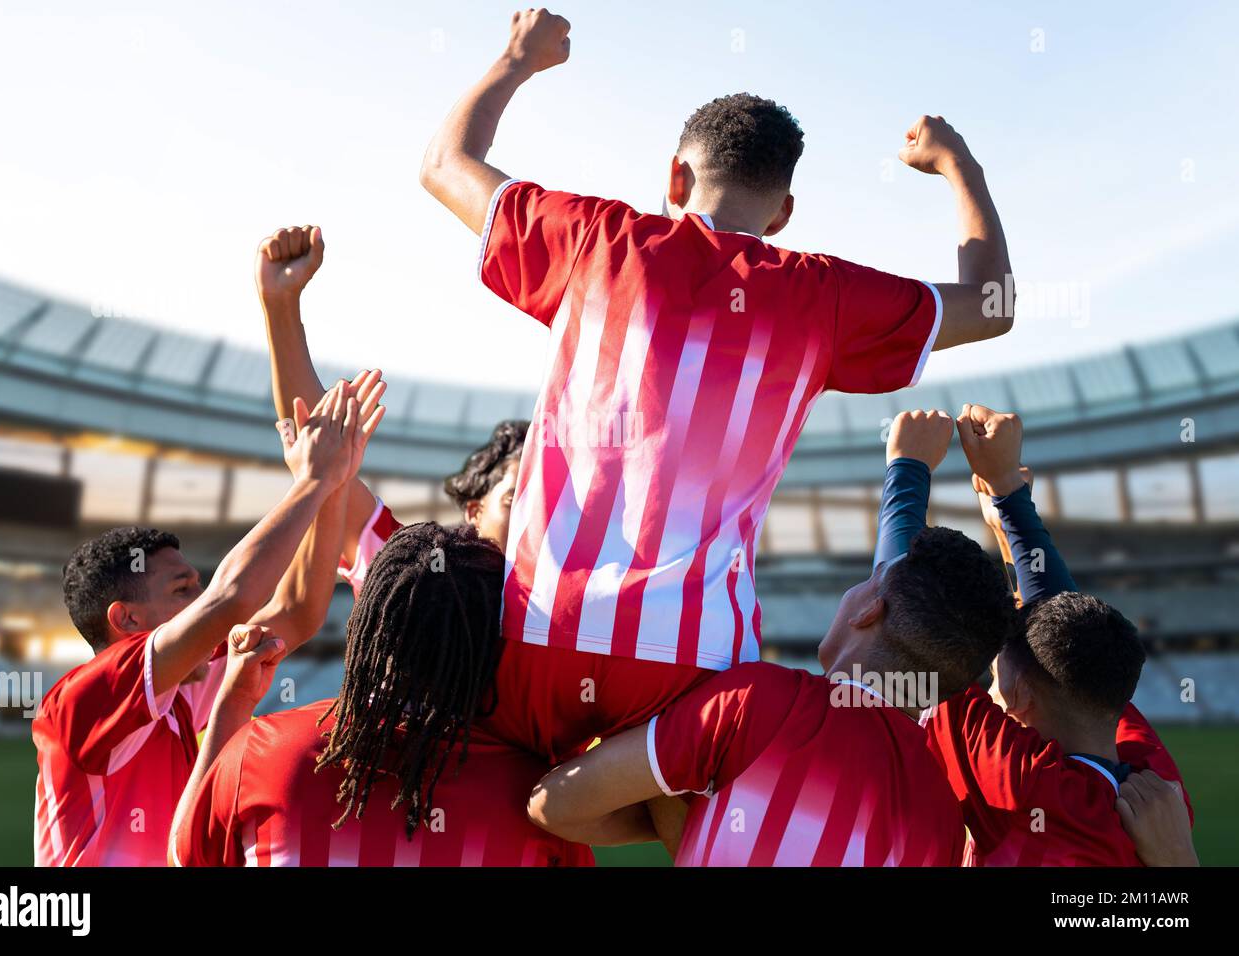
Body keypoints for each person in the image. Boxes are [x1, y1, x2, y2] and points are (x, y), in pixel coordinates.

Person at [419, 9, 1018, 763]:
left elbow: (444, 163)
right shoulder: (824, 296)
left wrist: (518, 58)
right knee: (680, 829)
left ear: (675, 176)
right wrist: (960, 163)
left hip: (535, 626)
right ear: (784, 214)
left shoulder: (595, 240)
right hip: (696, 660)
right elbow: (993, 303)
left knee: (510, 809)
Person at [525, 411, 1015, 865]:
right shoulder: (947, 822)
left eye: (867, 582)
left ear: (869, 610)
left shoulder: (760, 702)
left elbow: (556, 803)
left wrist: (697, 827)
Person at [33, 377, 384, 866]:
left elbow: (300, 609)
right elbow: (232, 599)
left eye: (197, 587)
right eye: (182, 591)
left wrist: (336, 486)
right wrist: (311, 482)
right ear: (127, 619)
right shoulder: (81, 702)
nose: (199, 602)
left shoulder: (177, 695)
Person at [171, 523, 593, 867]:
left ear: (368, 628)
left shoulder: (266, 754)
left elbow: (185, 858)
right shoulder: (542, 796)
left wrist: (234, 702)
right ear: (495, 643)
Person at [884, 403, 1192, 865]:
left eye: (993, 673)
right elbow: (1063, 629)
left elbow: (909, 628)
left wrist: (906, 472)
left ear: (1020, 693)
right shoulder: (1155, 786)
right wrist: (1008, 500)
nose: (990, 686)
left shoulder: (1023, 782)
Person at [254, 223, 528, 578]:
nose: (535, 518)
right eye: (515, 500)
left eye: (555, 507)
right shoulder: (418, 572)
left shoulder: (592, 608)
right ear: (475, 513)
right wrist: (281, 306)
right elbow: (321, 449)